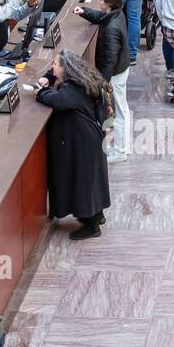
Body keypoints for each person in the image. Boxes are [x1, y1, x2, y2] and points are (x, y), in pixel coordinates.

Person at [35, 49, 111, 240]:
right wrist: (49, 79)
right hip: (88, 140)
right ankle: (96, 215)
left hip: (83, 143)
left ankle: (92, 226)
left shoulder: (73, 89)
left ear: (64, 68)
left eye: (55, 64)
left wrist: (41, 92)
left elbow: (59, 100)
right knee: (90, 180)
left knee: (83, 182)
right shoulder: (82, 82)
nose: (52, 66)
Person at [73, 0, 131, 163]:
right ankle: (122, 146)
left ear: (108, 4)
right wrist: (84, 12)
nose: (98, 1)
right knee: (121, 109)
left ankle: (120, 151)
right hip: (120, 69)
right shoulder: (116, 14)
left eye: (100, 0)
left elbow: (110, 59)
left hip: (114, 74)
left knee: (119, 113)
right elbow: (102, 18)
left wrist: (102, 82)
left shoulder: (112, 27)